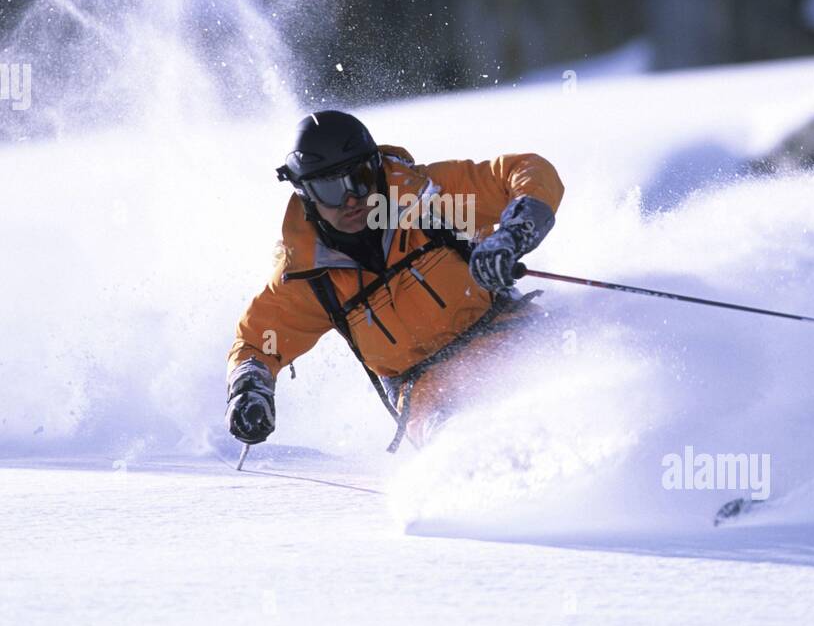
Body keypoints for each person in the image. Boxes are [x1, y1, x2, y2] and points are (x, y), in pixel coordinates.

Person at [226, 110, 563, 450]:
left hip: (509, 337)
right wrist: (250, 388)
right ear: (306, 194)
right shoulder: (310, 277)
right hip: (429, 395)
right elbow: (261, 341)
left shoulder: (431, 202)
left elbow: (526, 172)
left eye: (359, 177)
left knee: (564, 394)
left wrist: (513, 234)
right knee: (468, 446)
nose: (352, 199)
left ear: (376, 168)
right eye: (330, 189)